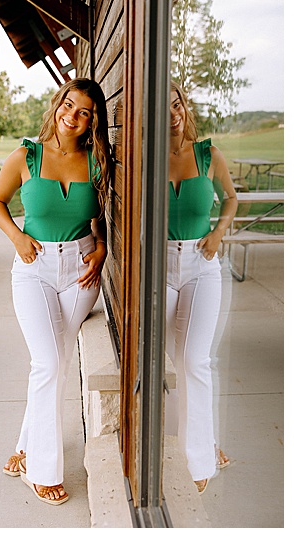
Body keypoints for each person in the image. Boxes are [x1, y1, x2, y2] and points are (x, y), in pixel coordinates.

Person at [0, 78, 111, 506]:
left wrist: (102, 249)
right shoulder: (27, 155)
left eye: (84, 113)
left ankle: (24, 446)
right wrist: (17, 238)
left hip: (79, 272)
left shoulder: (98, 162)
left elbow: (101, 222)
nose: (72, 116)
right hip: (33, 267)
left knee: (51, 364)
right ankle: (41, 469)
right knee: (48, 363)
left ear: (93, 123)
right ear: (57, 104)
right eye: (68, 105)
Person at [166, 81, 236, 493]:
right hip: (158, 265)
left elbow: (231, 199)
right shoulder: (145, 157)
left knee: (195, 361)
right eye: (162, 109)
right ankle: (198, 440)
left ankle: (201, 458)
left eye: (176, 105)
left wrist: (218, 233)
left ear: (184, 108)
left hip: (201, 263)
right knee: (167, 360)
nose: (172, 114)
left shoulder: (209, 154)